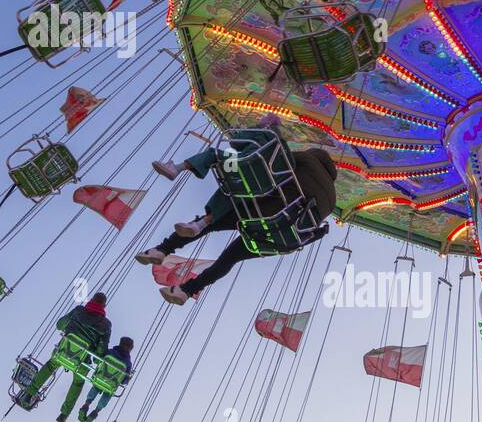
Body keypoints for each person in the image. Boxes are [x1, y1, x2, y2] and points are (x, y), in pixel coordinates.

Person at [139, 126, 338, 305]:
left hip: (264, 213)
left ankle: (164, 248)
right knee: (230, 258)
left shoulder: (307, 160)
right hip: (282, 237)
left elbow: (276, 164)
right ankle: (187, 291)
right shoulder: (332, 201)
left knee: (215, 216)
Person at [19, 294, 112, 422]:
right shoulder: (106, 325)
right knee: (77, 383)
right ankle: (64, 414)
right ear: (104, 306)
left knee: (51, 366)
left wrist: (68, 329)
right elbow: (101, 352)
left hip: (63, 351)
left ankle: (29, 393)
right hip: (81, 361)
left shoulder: (79, 310)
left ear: (91, 300)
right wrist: (94, 353)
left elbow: (60, 324)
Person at [77, 336, 134, 422]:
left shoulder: (110, 352)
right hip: (111, 385)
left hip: (100, 378)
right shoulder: (128, 363)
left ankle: (86, 404)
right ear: (130, 349)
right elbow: (124, 381)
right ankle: (96, 411)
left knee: (96, 387)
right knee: (108, 393)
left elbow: (99, 361)